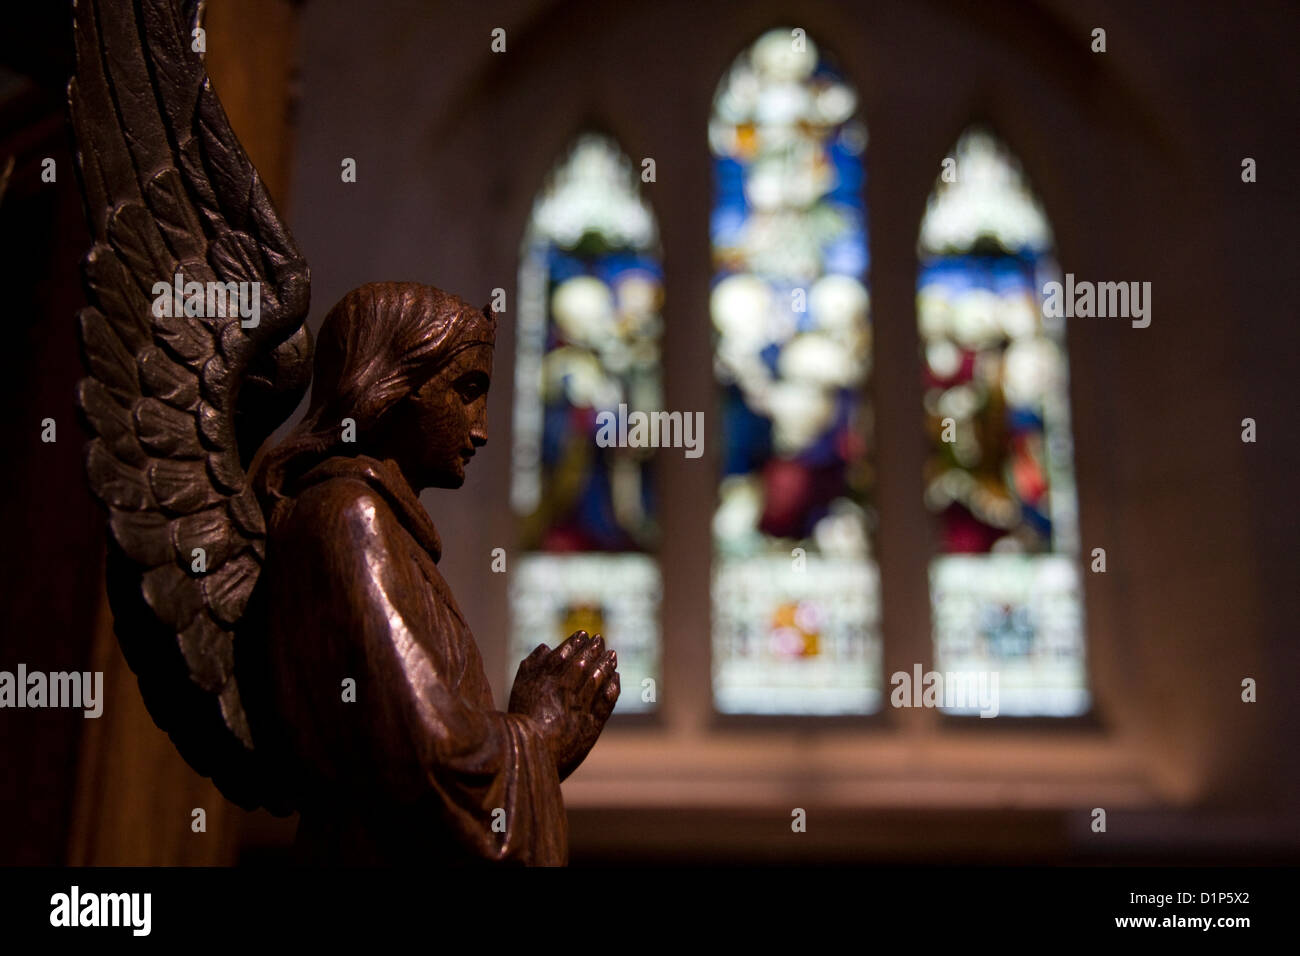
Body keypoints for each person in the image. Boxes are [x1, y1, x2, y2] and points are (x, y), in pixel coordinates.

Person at [252, 282, 618, 865]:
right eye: (466, 391)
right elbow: (414, 755)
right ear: (388, 386)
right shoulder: (349, 517)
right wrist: (538, 736)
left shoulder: (384, 531)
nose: (483, 430)